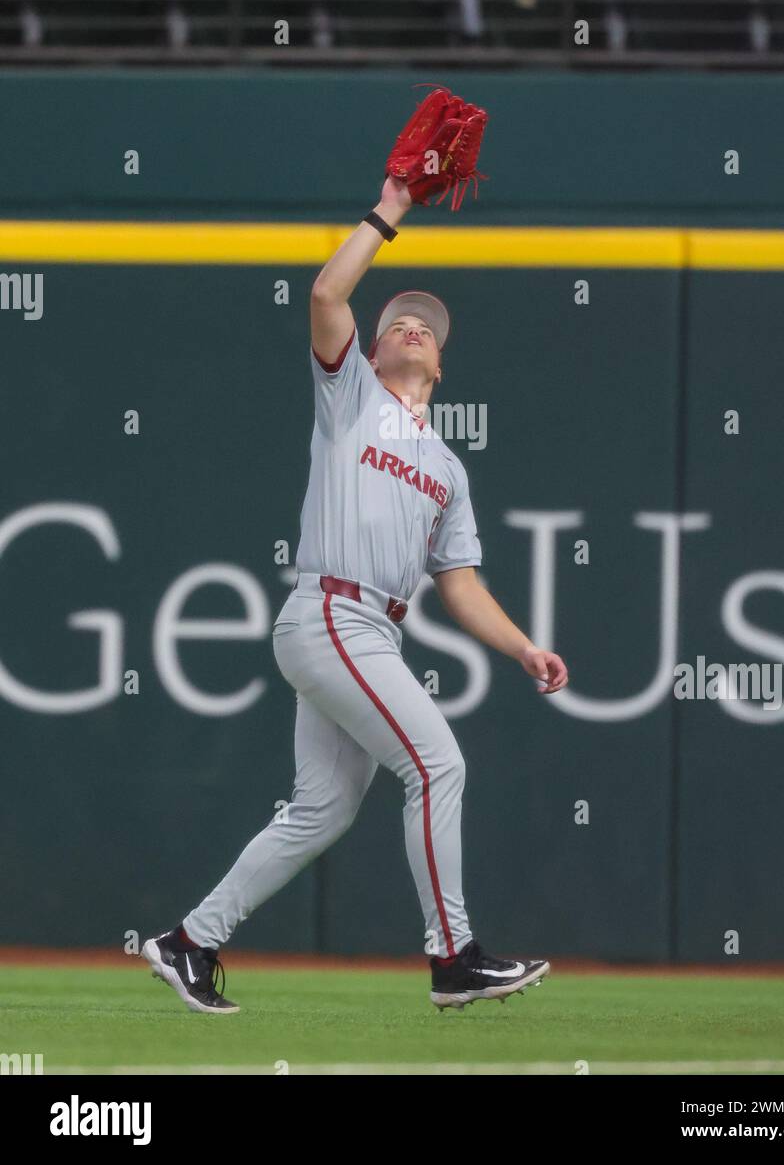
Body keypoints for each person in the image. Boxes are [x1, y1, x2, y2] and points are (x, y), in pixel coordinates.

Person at [142, 176, 568, 1013]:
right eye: (398, 323)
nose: (413, 327)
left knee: (321, 811)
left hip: (374, 627)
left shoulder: (449, 468)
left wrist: (521, 646)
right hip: (332, 611)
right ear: (372, 354)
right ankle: (453, 958)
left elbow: (461, 584)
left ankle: (188, 941)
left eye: (429, 329)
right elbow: (328, 291)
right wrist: (393, 207)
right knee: (438, 763)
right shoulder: (352, 398)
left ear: (440, 365)